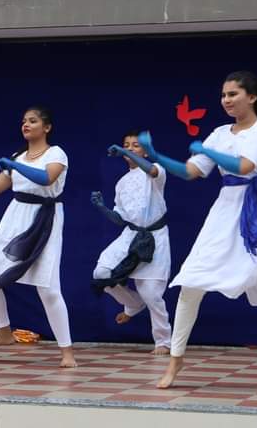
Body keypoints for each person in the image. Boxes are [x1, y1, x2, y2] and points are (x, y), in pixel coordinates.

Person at [141, 71, 257, 397]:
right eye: (223, 95)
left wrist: (205, 150)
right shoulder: (219, 133)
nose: (226, 100)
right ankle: (175, 361)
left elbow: (244, 166)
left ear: (251, 97)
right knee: (190, 285)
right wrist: (156, 155)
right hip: (225, 212)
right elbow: (192, 171)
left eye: (233, 94)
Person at [0, 106, 76, 368]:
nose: (26, 124)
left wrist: (14, 165)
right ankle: (3, 331)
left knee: (48, 288)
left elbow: (46, 178)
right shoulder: (18, 156)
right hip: (14, 218)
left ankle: (67, 352)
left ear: (46, 127)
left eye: (33, 121)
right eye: (23, 121)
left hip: (44, 218)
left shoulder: (56, 153)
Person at [90, 130, 172, 355]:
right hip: (130, 235)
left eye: (135, 146)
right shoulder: (122, 183)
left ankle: (163, 341)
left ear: (144, 151)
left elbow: (151, 170)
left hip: (155, 237)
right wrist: (102, 208)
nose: (130, 149)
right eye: (127, 145)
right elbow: (120, 218)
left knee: (152, 295)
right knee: (102, 273)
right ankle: (133, 304)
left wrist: (128, 152)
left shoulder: (156, 171)